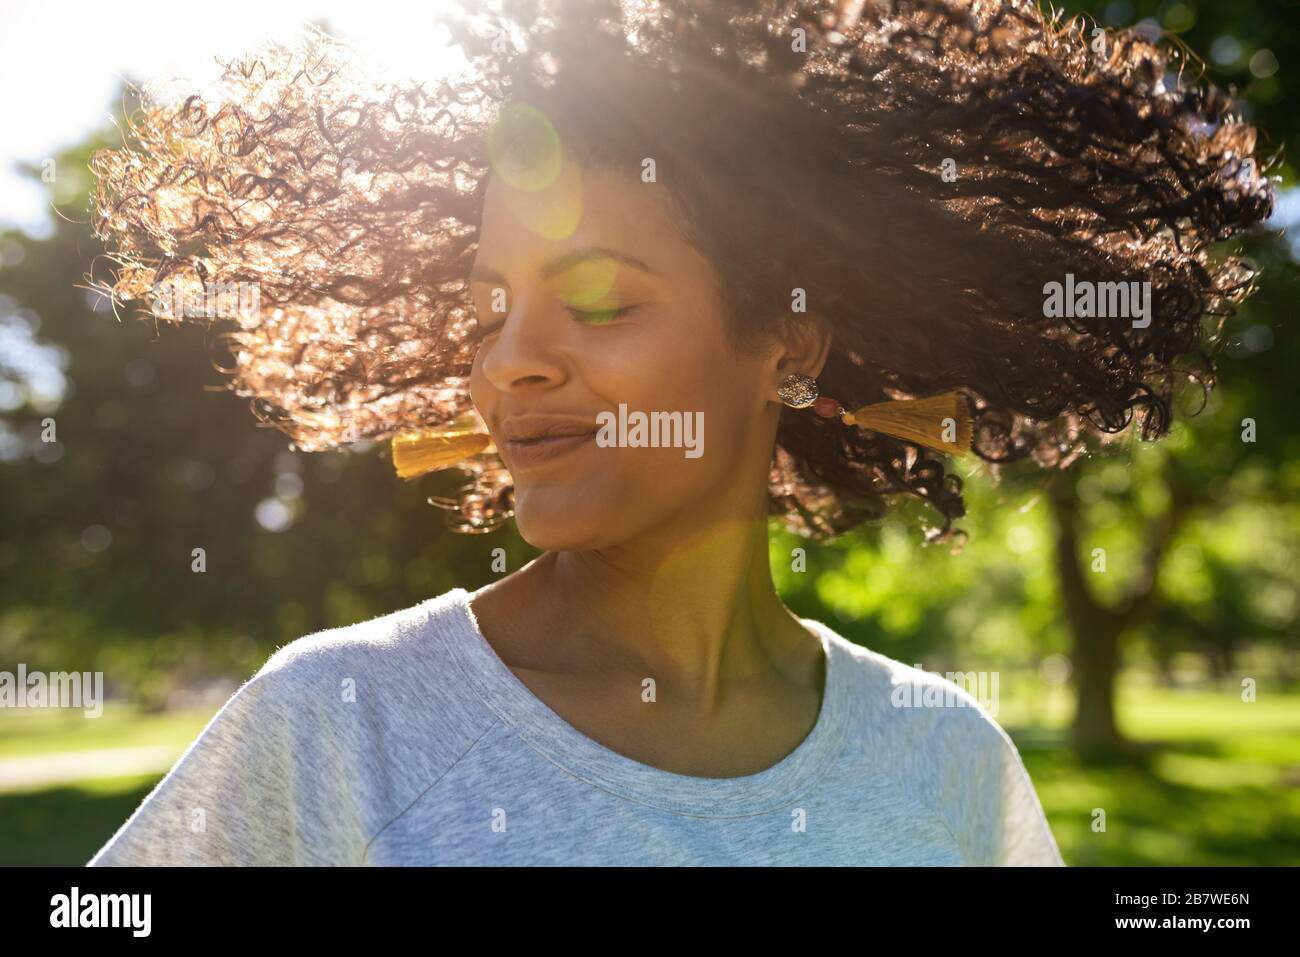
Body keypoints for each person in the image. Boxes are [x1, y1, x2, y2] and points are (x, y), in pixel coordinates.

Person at [85, 0, 1272, 865]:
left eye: (598, 298)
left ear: (788, 348)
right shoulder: (342, 723)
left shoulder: (946, 764)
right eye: (488, 306)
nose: (511, 357)